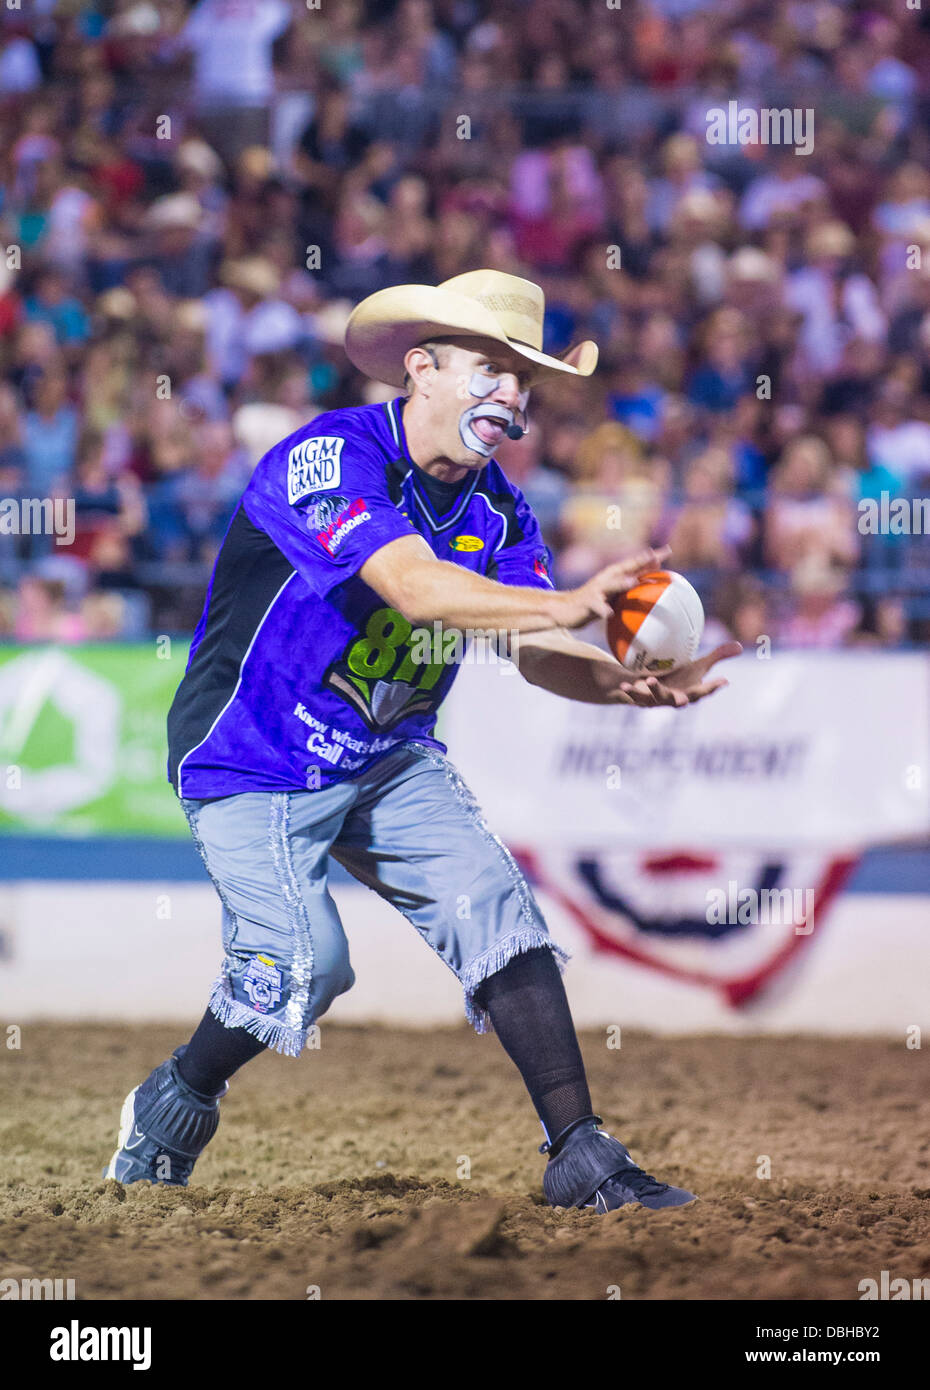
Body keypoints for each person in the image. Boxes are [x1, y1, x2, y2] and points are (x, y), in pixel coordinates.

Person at [103, 271, 739, 1212]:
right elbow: (414, 586)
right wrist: (566, 602)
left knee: (500, 914)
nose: (513, 396)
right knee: (305, 966)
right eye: (491, 368)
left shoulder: (500, 512)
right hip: (252, 753)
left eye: (524, 380)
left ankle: (580, 1152)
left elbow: (531, 649)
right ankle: (177, 1098)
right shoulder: (325, 460)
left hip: (387, 752)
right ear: (421, 369)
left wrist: (619, 686)